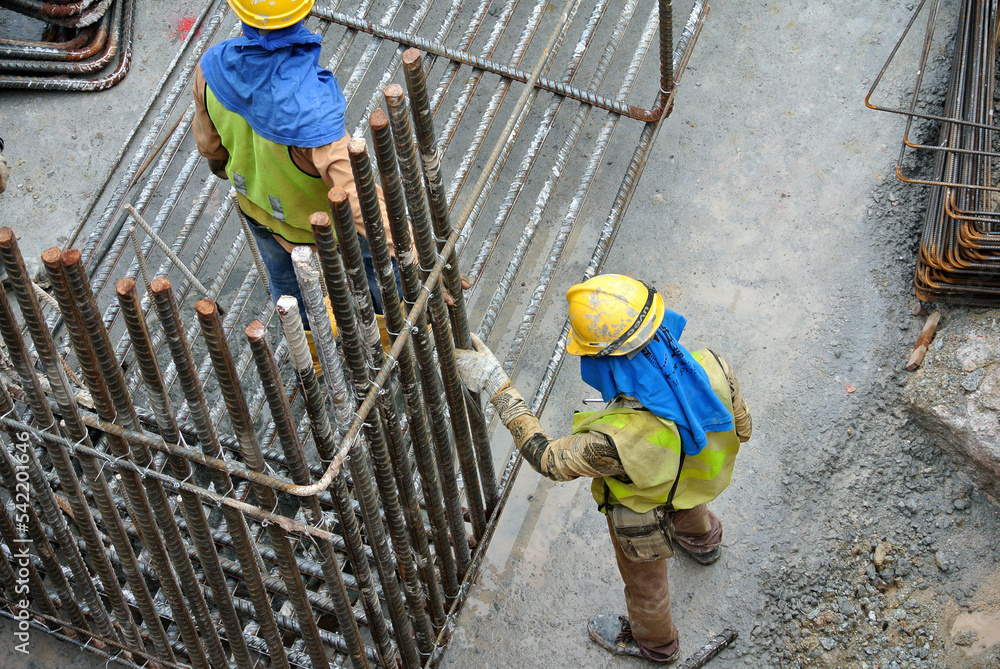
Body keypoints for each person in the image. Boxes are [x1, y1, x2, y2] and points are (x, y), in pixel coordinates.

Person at [454, 274, 752, 664]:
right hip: (692, 482)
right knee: (683, 497)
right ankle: (704, 541)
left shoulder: (612, 441)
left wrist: (498, 387)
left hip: (642, 511)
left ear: (605, 360)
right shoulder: (714, 367)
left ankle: (657, 645)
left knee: (647, 585)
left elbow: (547, 458)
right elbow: (743, 429)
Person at [191, 0, 397, 327]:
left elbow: (211, 148)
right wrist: (410, 250)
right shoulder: (311, 106)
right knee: (381, 267)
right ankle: (390, 329)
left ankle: (310, 355)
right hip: (323, 219)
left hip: (258, 207)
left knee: (287, 289)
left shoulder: (212, 66)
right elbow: (357, 199)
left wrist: (248, 173)